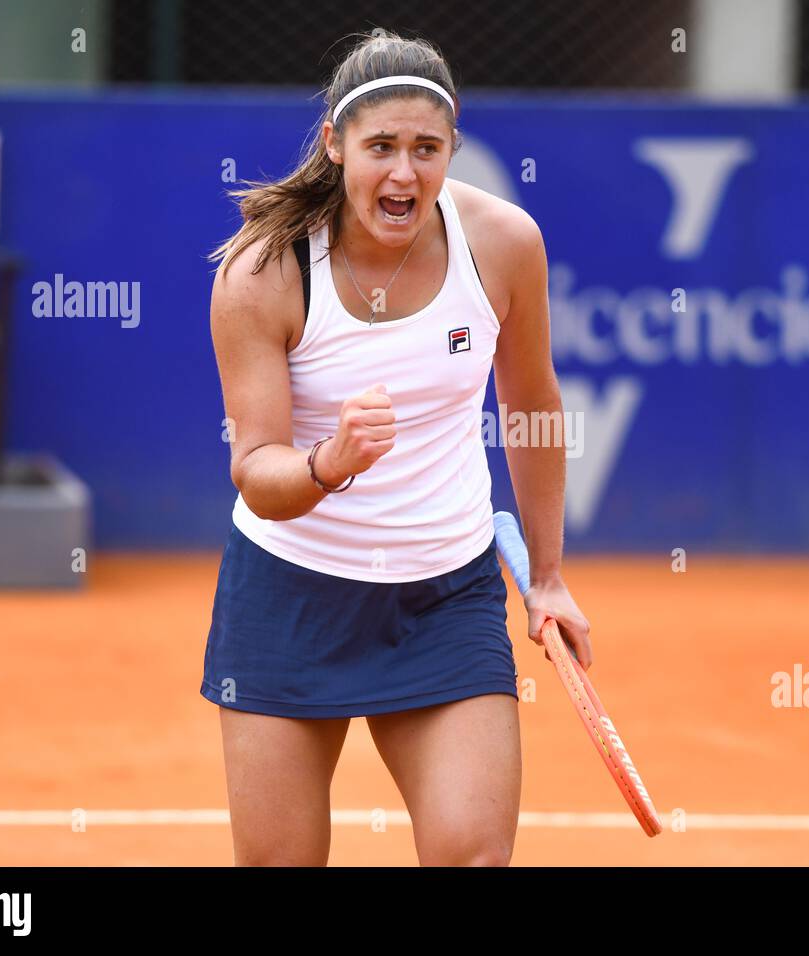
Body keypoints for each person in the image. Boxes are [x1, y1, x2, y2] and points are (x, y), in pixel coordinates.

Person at [201, 30, 591, 866]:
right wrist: (327, 463)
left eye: (427, 148)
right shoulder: (261, 275)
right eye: (381, 147)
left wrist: (549, 576)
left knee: (473, 857)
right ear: (336, 146)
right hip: (288, 595)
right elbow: (257, 471)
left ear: (453, 148)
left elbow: (532, 403)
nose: (405, 174)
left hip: (444, 597)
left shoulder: (505, 245)